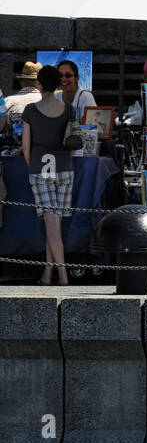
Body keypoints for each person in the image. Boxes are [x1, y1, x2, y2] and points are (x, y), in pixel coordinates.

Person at [22, 66, 77, 287]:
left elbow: (26, 146)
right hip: (65, 168)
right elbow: (73, 144)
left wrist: (32, 164)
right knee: (53, 227)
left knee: (51, 227)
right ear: (58, 84)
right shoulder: (68, 109)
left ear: (40, 84)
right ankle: (47, 274)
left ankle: (63, 277)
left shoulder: (31, 110)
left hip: (40, 169)